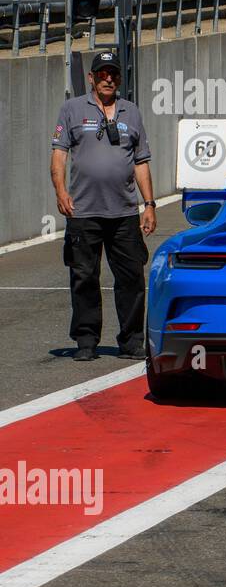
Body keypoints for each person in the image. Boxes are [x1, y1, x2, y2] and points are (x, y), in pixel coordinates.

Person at [50, 50, 158, 361]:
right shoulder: (71, 109)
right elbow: (59, 155)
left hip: (124, 212)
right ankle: (86, 341)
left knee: (132, 278)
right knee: (84, 277)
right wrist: (60, 191)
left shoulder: (131, 112)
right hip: (83, 212)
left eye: (112, 73)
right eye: (102, 73)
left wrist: (148, 204)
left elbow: (141, 161)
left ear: (119, 79)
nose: (108, 78)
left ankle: (131, 341)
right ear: (92, 78)